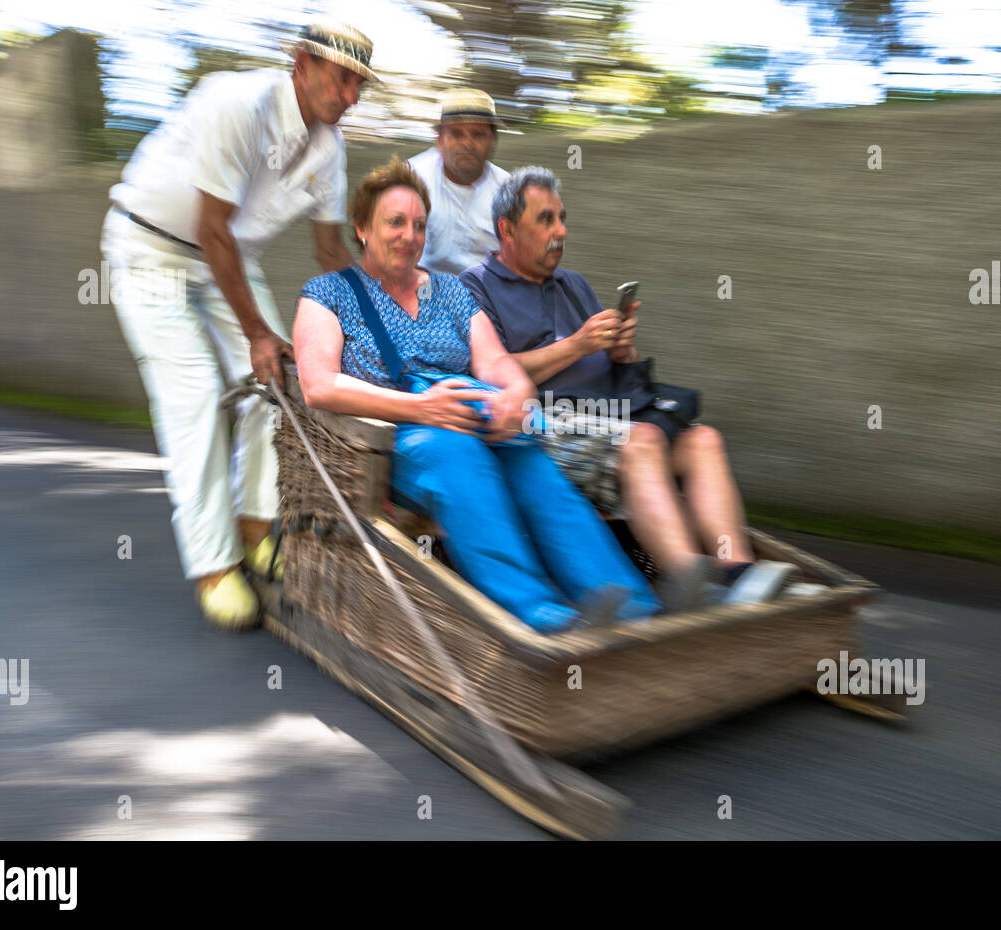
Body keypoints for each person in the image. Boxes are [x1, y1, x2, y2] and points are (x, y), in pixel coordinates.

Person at [291, 159, 662, 633]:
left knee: (529, 458)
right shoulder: (328, 293)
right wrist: (421, 408)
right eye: (395, 222)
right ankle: (537, 613)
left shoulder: (450, 292)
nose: (409, 235)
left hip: (472, 416)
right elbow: (318, 385)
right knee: (456, 453)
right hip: (395, 433)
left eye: (419, 225)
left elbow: (498, 364)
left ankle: (625, 604)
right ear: (362, 228)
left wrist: (516, 397)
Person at [100, 22, 377, 630]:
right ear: (302, 64)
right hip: (152, 251)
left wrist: (375, 326)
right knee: (196, 395)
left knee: (281, 384)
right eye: (342, 78)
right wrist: (257, 332)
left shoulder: (329, 148)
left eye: (360, 84)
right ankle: (212, 566)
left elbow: (330, 252)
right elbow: (212, 229)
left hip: (228, 258)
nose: (351, 96)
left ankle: (255, 527)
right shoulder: (239, 103)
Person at [460, 167, 793, 605]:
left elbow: (608, 364)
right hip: (543, 423)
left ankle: (736, 573)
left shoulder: (572, 284)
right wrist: (578, 346)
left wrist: (620, 352)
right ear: (507, 229)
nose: (560, 231)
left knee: (704, 441)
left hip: (612, 415)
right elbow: (490, 372)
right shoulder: (473, 288)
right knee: (645, 440)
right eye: (545, 220)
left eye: (562, 218)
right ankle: (689, 582)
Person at [406, 89, 509, 276]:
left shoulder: (510, 192)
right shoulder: (410, 179)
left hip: (487, 294)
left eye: (478, 135)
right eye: (456, 134)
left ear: (493, 141)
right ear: (440, 140)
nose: (467, 144)